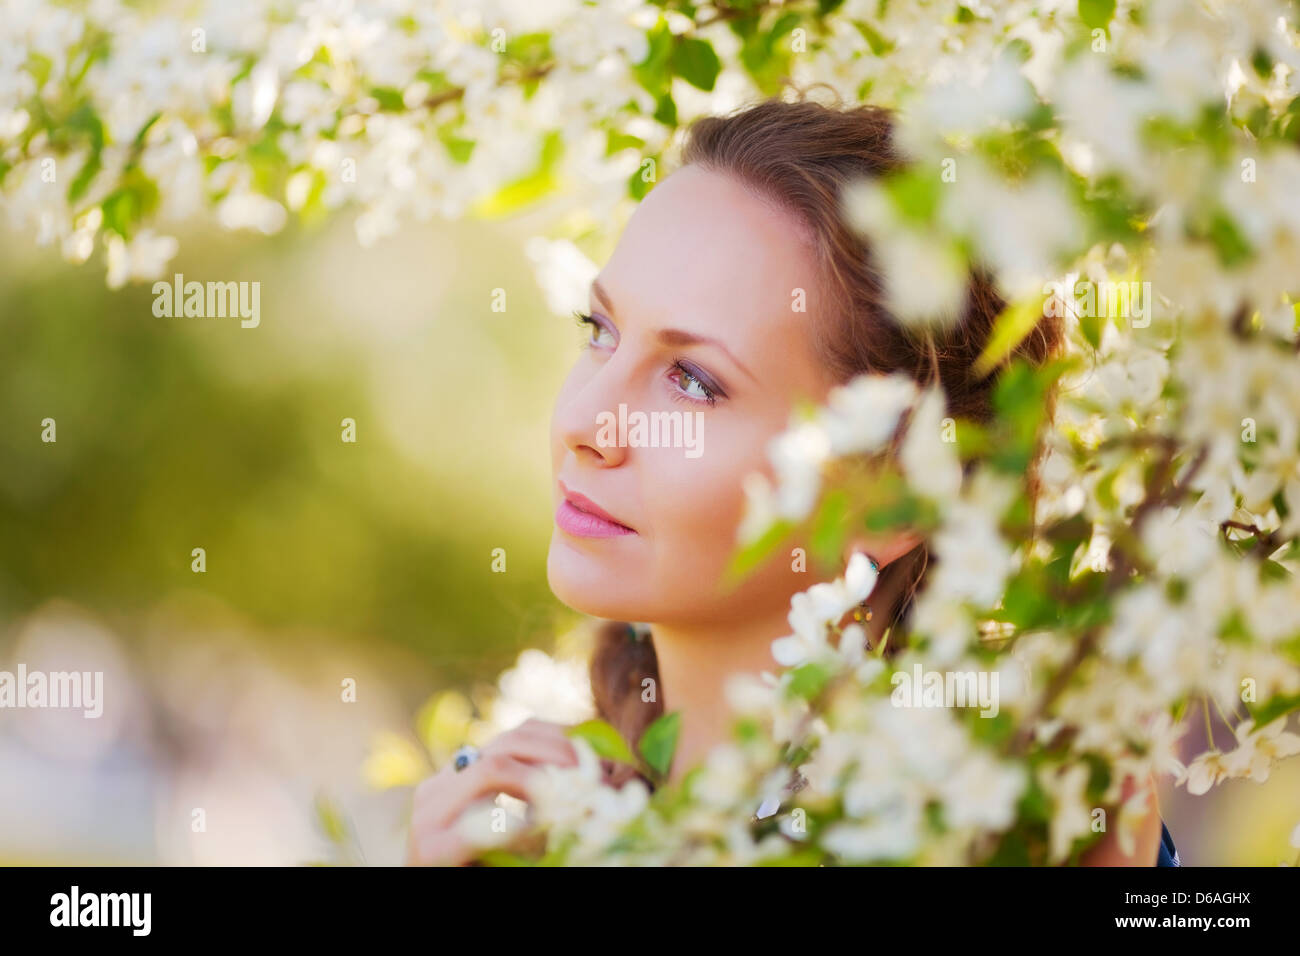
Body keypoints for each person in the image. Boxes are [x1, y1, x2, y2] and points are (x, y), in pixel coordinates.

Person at [407, 92, 1179, 867]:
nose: (585, 424)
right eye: (600, 332)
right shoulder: (534, 830)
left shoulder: (1004, 824)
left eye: (694, 382)